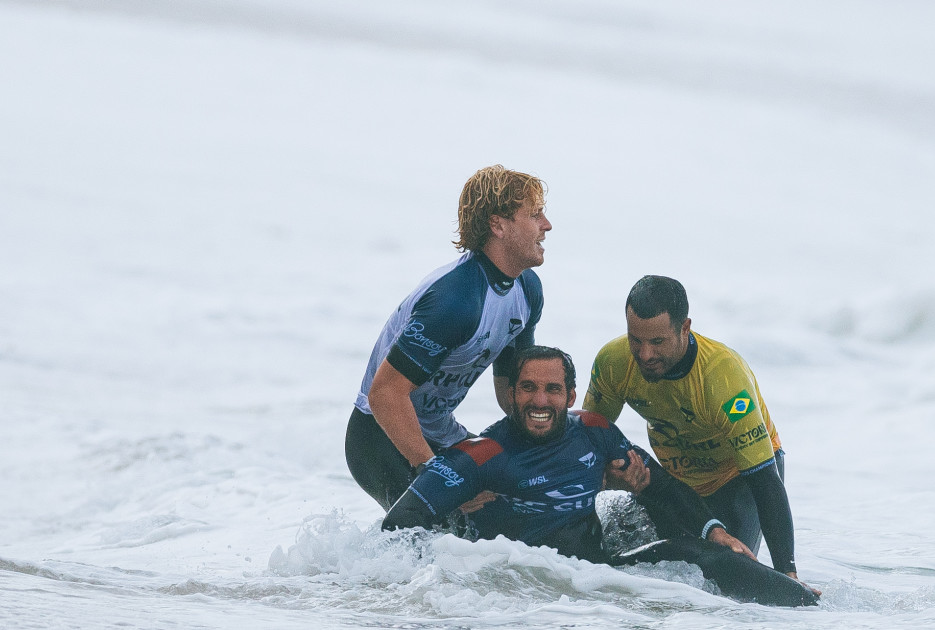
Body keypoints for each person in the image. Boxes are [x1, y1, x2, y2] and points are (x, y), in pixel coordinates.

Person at [382, 346, 819, 607]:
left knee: (718, 559)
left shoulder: (592, 430)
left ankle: (812, 614)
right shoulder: (482, 455)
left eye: (553, 389)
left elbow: (657, 485)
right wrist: (437, 581)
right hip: (523, 585)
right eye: (529, 388)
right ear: (510, 395)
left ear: (570, 395)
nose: (541, 400)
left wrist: (714, 529)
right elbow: (400, 522)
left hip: (599, 572)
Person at [345, 165, 551, 512]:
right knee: (431, 545)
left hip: (440, 434)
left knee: (519, 509)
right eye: (534, 215)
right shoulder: (455, 301)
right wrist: (440, 478)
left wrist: (556, 447)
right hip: (380, 436)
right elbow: (385, 394)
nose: (546, 225)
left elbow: (512, 392)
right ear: (498, 225)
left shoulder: (527, 290)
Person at [582, 275, 809, 584]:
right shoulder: (614, 362)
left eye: (657, 342)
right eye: (636, 339)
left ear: (684, 328)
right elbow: (588, 443)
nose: (645, 355)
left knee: (722, 579)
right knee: (641, 570)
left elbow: (765, 482)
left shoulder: (722, 378)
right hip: (678, 483)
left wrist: (788, 575)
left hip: (738, 479)